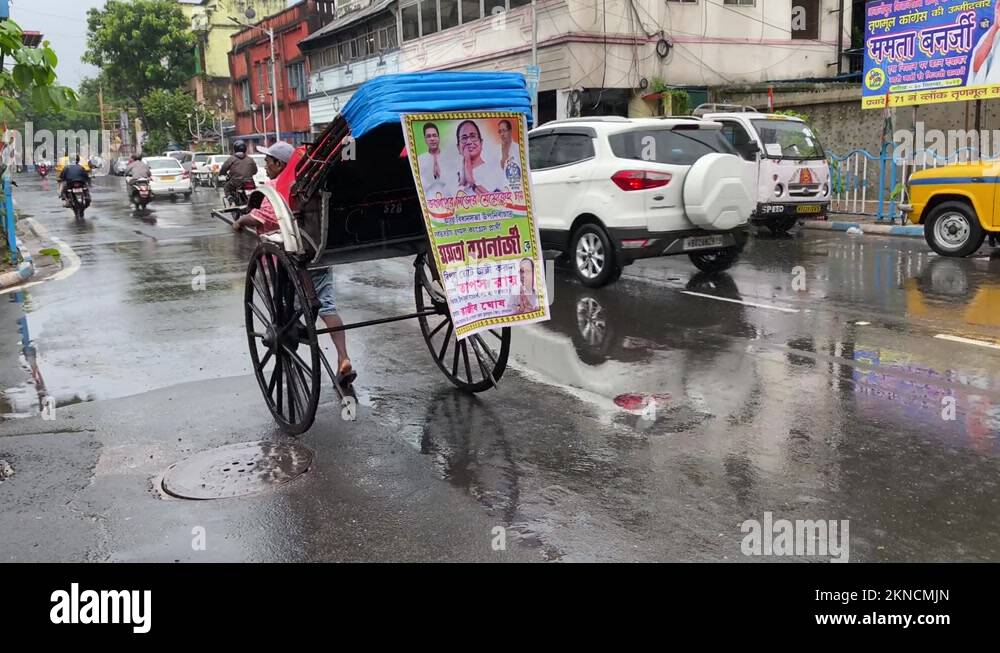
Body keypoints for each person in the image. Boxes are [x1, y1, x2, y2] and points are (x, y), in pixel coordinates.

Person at [232, 141, 357, 388]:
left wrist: (239, 222)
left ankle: (297, 326)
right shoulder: (310, 185)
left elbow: (261, 218)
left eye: (268, 161)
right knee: (328, 307)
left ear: (280, 164)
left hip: (293, 262)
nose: (265, 166)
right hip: (319, 252)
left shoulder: (277, 187)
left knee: (292, 306)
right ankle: (343, 358)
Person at [454, 120, 508, 195]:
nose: (469, 142)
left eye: (473, 136)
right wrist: (466, 165)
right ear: (458, 147)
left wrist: (472, 183)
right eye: (464, 138)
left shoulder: (495, 171)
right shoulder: (453, 178)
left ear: (481, 143)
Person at [418, 122, 454, 198]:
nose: (432, 139)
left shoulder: (449, 157)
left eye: (434, 135)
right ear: (425, 140)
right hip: (430, 200)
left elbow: (454, 181)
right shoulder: (420, 159)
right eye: (428, 136)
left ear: (439, 137)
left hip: (450, 199)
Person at [219, 140, 258, 204]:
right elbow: (255, 171)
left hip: (235, 182)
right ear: (245, 149)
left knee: (226, 186)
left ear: (235, 149)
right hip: (249, 182)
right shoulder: (250, 159)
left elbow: (224, 169)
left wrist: (221, 173)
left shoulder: (231, 159)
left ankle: (230, 198)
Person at [970, 4, 1000, 86]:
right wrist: (995, 27)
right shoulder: (993, 34)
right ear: (997, 9)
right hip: (992, 93)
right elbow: (976, 67)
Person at [497, 119, 522, 185]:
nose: (502, 134)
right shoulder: (496, 149)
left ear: (510, 131)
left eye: (504, 131)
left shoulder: (518, 149)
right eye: (500, 131)